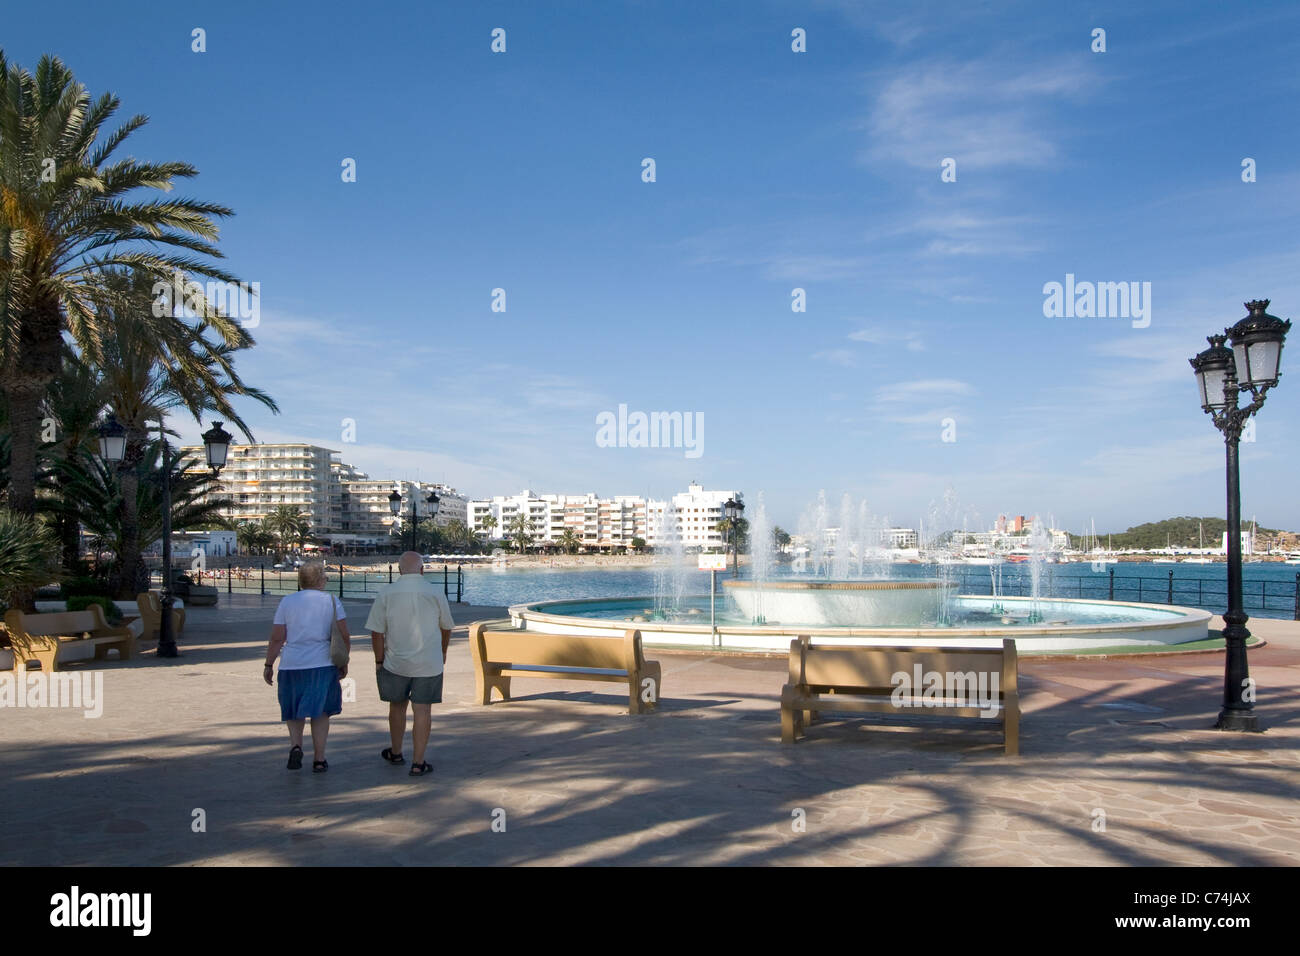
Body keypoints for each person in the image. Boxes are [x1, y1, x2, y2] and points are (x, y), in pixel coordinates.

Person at [365, 551, 454, 777]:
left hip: (396, 661)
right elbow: (446, 626)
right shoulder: (435, 592)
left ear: (399, 570)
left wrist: (379, 660)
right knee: (422, 710)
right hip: (429, 662)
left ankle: (396, 752)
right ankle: (418, 762)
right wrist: (442, 651)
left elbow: (377, 632)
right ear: (422, 569)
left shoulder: (386, 593)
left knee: (397, 706)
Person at [263, 563, 350, 772]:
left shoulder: (287, 602)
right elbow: (344, 635)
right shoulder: (331, 601)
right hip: (322, 664)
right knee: (320, 713)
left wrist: (269, 663)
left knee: (293, 710)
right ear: (321, 580)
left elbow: (277, 638)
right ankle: (319, 759)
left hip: (291, 664)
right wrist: (344, 662)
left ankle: (295, 745)